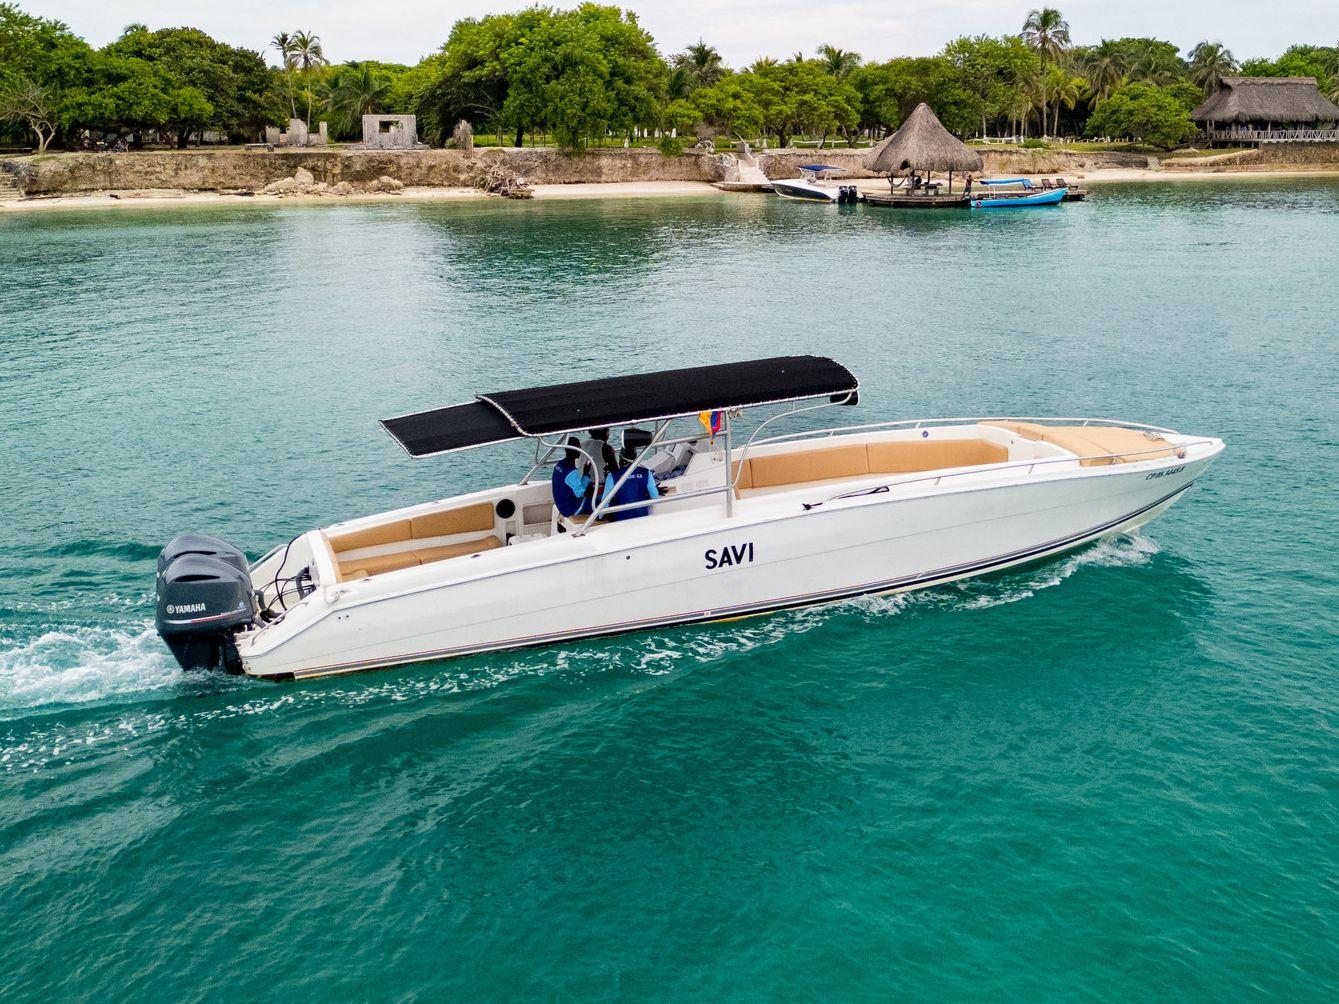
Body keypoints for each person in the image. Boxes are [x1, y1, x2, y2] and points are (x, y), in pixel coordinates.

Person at [601, 440, 660, 521]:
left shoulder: (612, 476)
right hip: (642, 517)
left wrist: (600, 517)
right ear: (635, 456)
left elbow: (604, 502)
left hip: (620, 519)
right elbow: (654, 496)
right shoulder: (646, 472)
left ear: (620, 457)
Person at [551, 437, 593, 518]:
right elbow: (580, 494)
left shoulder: (559, 464)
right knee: (600, 503)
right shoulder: (571, 472)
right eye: (579, 447)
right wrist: (588, 479)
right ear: (575, 449)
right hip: (571, 509)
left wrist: (586, 474)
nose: (580, 449)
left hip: (561, 504)